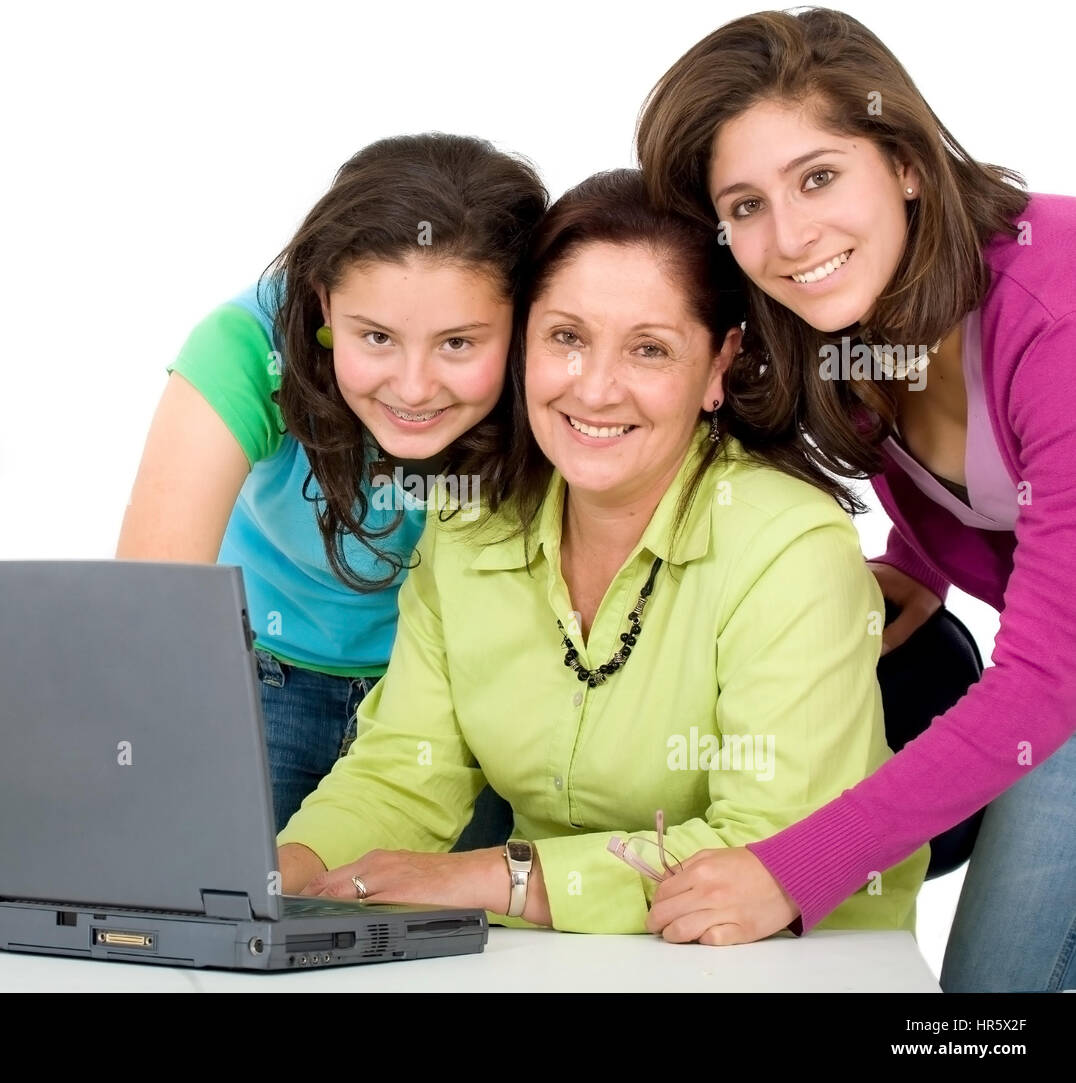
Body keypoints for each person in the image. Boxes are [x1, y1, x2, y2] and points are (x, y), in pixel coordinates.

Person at [276, 169, 928, 934]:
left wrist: (498, 876)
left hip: (784, 964)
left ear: (719, 364)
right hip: (575, 961)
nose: (594, 389)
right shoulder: (469, 528)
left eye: (649, 350)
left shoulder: (790, 548)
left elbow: (765, 846)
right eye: (567, 337)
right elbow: (401, 773)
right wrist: (280, 872)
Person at [634, 7, 1076, 990]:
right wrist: (919, 564)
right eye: (743, 205)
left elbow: (1049, 678)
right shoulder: (842, 327)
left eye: (819, 176)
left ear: (906, 163)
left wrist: (792, 872)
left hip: (1064, 685)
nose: (788, 237)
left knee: (983, 1005)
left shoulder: (1058, 306)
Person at [117, 133, 546, 845]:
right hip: (265, 677)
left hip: (448, 697)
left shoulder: (556, 369)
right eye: (375, 337)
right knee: (215, 897)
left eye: (459, 343)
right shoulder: (246, 346)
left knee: (460, 942)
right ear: (321, 302)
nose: (413, 387)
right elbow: (145, 615)